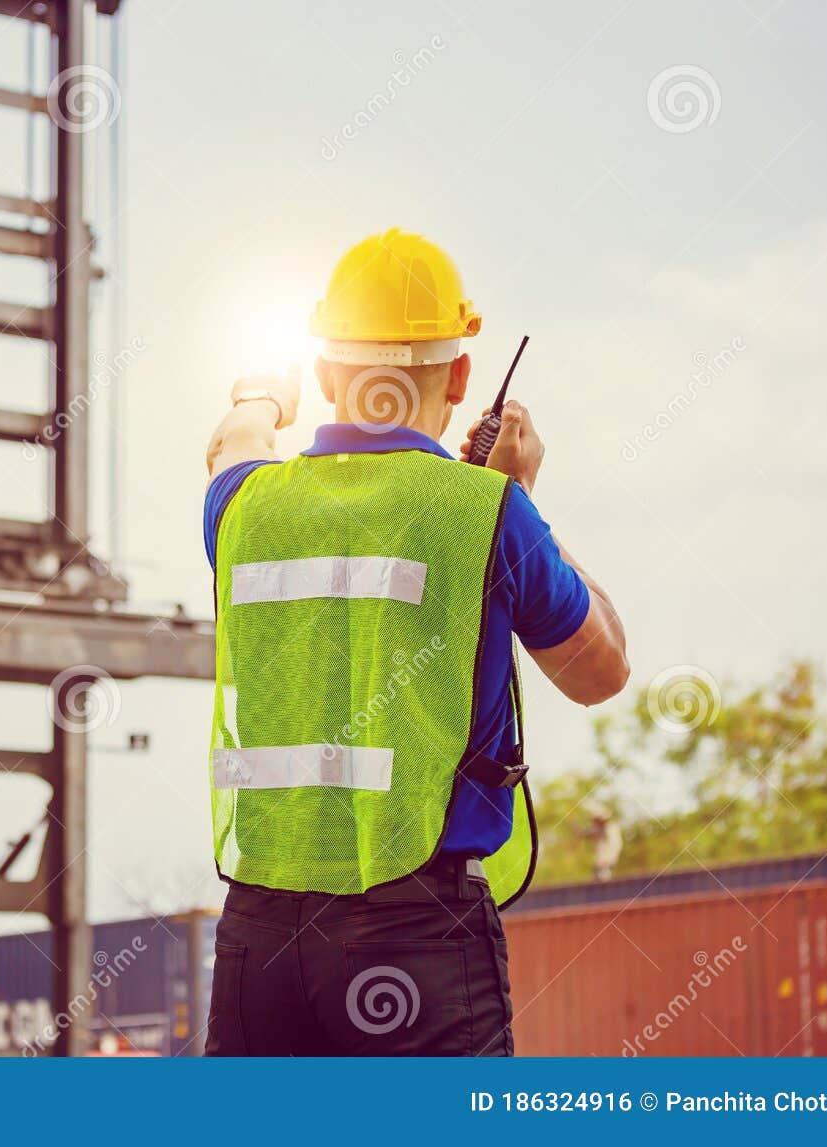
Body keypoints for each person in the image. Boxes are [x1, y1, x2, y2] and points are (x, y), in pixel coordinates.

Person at [200, 228, 629, 1056]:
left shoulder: (244, 508)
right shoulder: (486, 511)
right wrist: (519, 496)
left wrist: (261, 396)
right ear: (463, 374)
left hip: (256, 944)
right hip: (415, 941)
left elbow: (232, 442)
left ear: (326, 373)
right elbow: (600, 669)